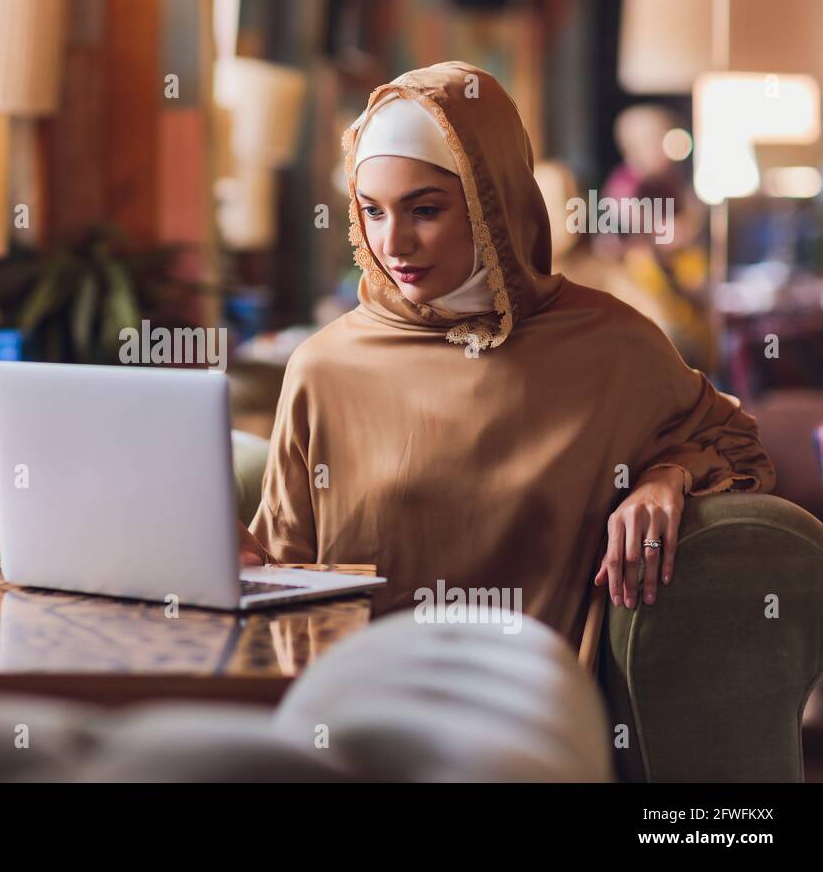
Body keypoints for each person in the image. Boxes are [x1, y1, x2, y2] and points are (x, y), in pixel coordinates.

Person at [237, 62, 775, 670]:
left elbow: (737, 445)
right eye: (373, 211)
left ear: (491, 203)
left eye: (424, 210)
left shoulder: (609, 344)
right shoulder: (323, 367)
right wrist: (228, 559)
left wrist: (665, 478)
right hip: (347, 697)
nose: (393, 244)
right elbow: (285, 569)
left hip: (527, 701)